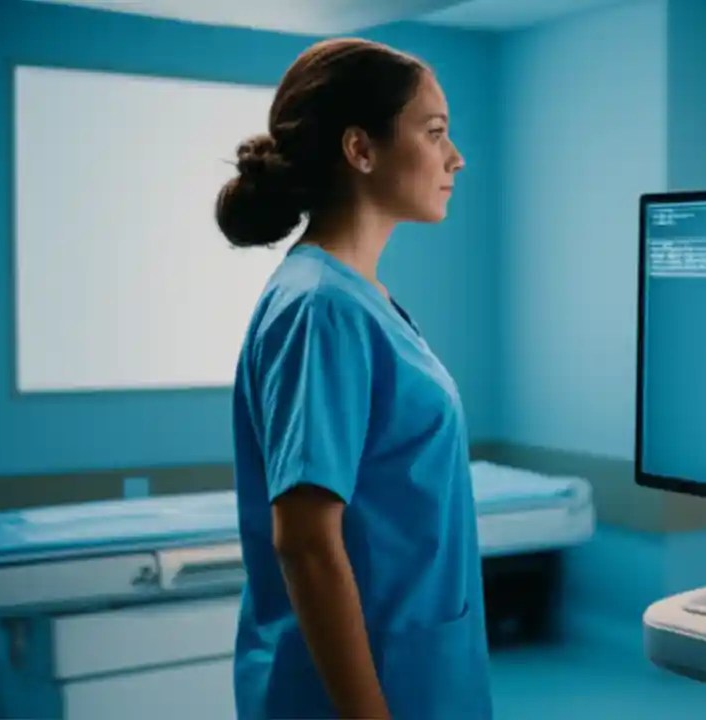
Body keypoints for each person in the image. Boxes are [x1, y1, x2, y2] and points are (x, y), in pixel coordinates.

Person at [215, 37, 490, 720]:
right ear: (360, 150)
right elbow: (306, 541)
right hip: (360, 692)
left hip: (418, 662)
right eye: (434, 134)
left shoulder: (357, 297)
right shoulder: (322, 308)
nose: (456, 157)